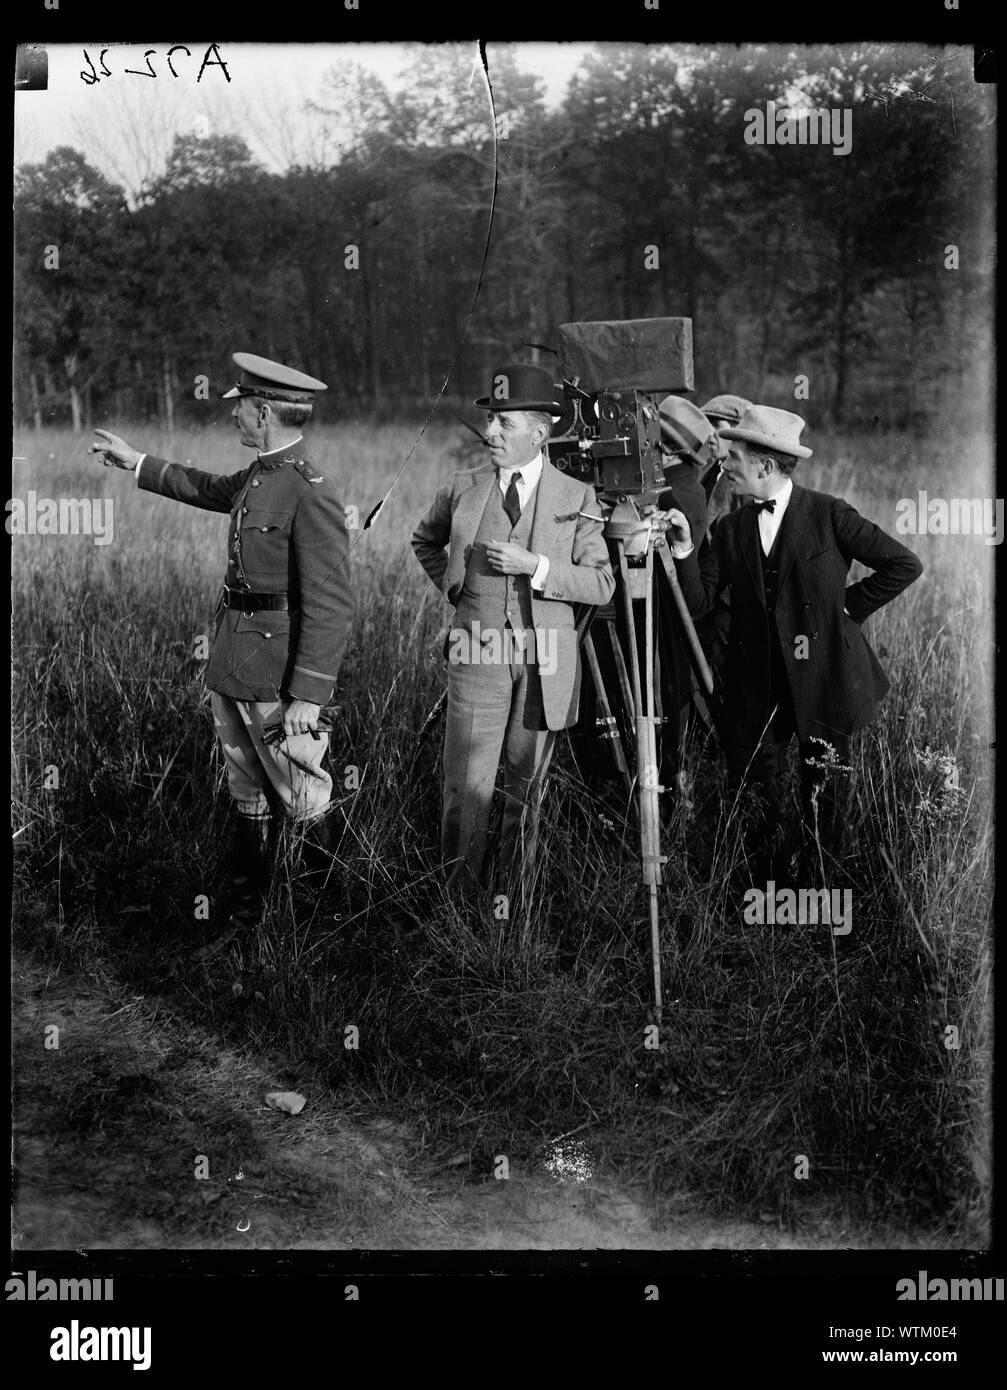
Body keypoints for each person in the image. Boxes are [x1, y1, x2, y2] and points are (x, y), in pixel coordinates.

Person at [89, 352, 354, 953]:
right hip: (233, 663)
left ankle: (319, 935)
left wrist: (308, 697)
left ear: (264, 413)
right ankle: (249, 923)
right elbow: (208, 488)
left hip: (278, 680)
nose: (233, 414)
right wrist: (139, 463)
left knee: (303, 795)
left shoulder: (311, 491)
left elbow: (332, 606)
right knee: (247, 791)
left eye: (240, 406)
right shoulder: (259, 476)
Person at [665, 404, 923, 880]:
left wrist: (847, 608)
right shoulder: (728, 528)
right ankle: (768, 881)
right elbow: (699, 605)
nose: (724, 465)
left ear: (765, 465)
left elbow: (903, 564)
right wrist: (682, 546)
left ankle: (818, 886)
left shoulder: (829, 514)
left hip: (822, 679)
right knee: (754, 787)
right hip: (755, 685)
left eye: (734, 458)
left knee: (820, 791)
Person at [411, 362, 615, 897]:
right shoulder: (463, 489)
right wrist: (458, 589)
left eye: (505, 423)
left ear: (540, 433)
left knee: (527, 787)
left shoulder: (577, 497)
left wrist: (537, 567)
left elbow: (602, 584)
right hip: (477, 651)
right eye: (491, 421)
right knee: (467, 786)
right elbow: (424, 542)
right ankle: (459, 906)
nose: (491, 432)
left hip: (545, 661)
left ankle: (513, 903)